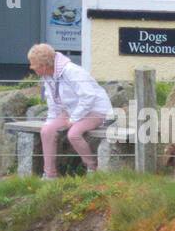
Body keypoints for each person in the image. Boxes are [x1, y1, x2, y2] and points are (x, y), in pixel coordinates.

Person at [27, 43, 114, 178]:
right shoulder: (47, 77)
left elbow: (88, 96)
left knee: (73, 134)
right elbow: (54, 104)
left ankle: (92, 169)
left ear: (44, 65)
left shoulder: (72, 71)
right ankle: (50, 176)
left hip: (96, 109)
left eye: (33, 64)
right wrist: (50, 123)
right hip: (72, 111)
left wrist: (73, 120)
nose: (31, 67)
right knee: (46, 131)